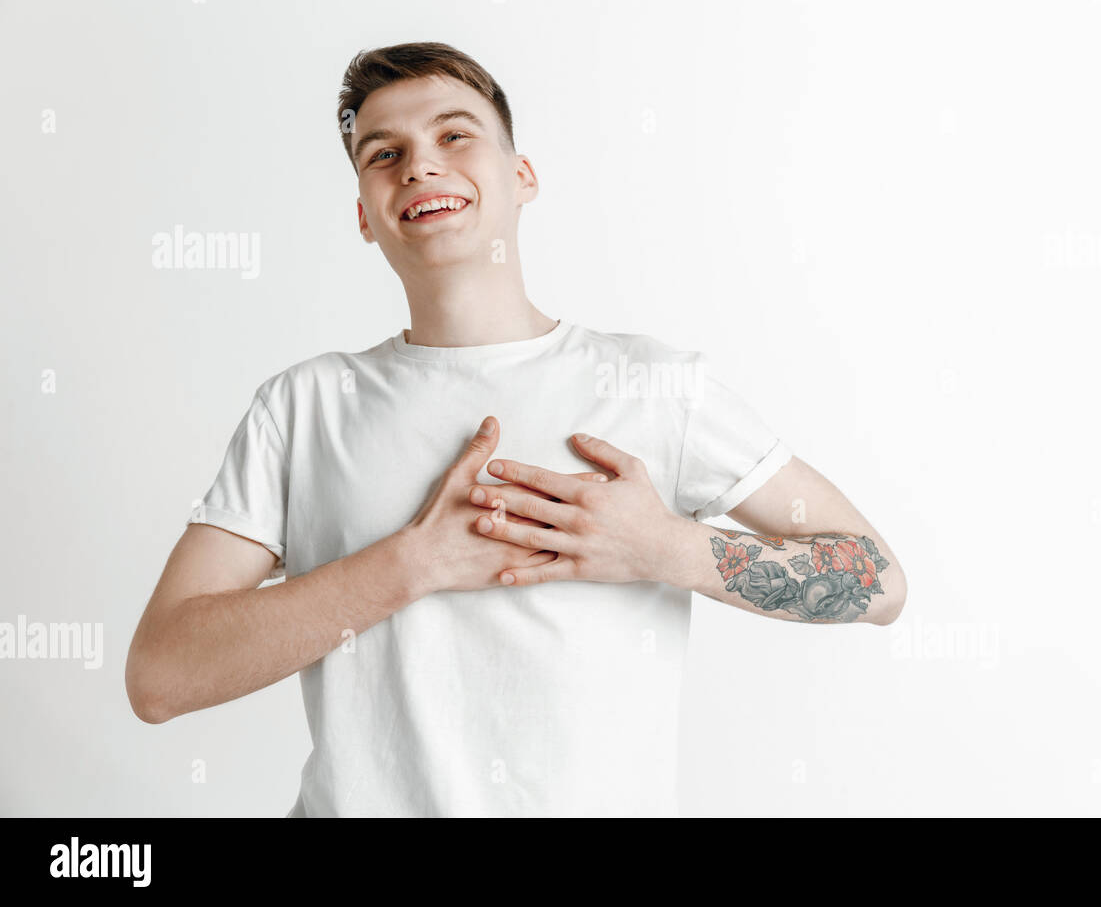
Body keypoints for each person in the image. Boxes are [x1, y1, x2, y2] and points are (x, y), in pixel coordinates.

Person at [124, 42, 908, 817]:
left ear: (522, 176)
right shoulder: (304, 407)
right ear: (365, 215)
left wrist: (663, 547)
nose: (420, 165)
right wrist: (410, 565)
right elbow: (160, 676)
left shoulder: (655, 386)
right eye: (383, 153)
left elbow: (878, 583)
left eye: (454, 134)